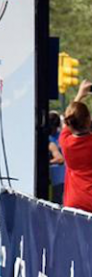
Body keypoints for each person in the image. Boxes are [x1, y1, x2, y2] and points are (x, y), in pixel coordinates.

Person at [60, 82, 92, 213]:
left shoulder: (65, 141)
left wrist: (79, 95)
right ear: (88, 120)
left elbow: (68, 120)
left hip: (73, 203)